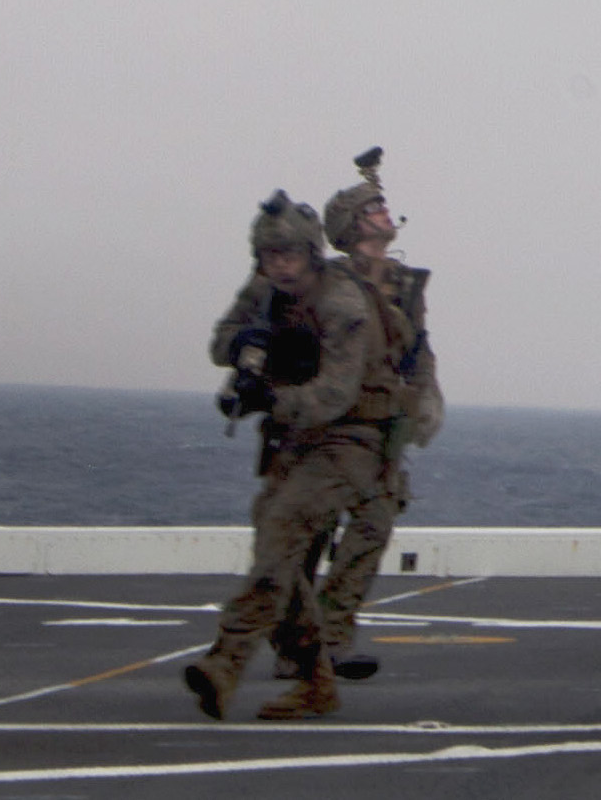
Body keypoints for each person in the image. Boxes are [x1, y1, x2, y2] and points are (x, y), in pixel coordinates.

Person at [188, 192, 388, 724]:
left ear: (310, 253)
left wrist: (272, 398)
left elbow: (335, 395)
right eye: (269, 255)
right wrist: (246, 351)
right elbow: (220, 341)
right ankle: (314, 681)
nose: (279, 264)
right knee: (283, 557)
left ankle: (225, 662)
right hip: (291, 440)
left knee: (280, 536)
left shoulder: (341, 303)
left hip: (349, 439)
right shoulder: (263, 292)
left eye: (289, 254)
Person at [311, 151, 443, 679]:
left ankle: (331, 639)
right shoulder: (328, 283)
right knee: (307, 536)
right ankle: (299, 639)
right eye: (376, 208)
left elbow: (419, 352)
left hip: (384, 428)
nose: (388, 215)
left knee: (371, 528)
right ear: (353, 225)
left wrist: (426, 399)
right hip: (330, 428)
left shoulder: (404, 285)